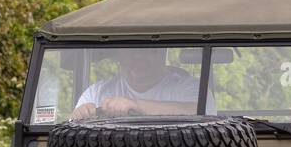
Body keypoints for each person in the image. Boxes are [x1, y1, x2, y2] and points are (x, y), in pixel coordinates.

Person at [72, 48, 213, 117]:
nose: (139, 57)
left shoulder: (190, 87)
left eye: (149, 50)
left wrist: (135, 105)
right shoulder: (97, 92)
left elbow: (202, 114)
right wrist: (81, 114)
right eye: (131, 50)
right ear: (119, 56)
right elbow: (71, 127)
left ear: (163, 53)